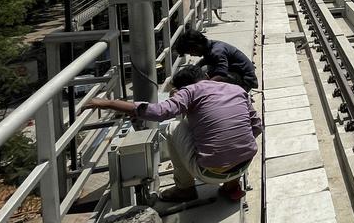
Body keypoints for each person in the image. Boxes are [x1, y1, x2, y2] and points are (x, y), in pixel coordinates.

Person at [84, 65, 262, 202]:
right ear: (207, 77)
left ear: (180, 89)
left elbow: (160, 112)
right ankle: (232, 184)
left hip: (210, 173)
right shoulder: (236, 89)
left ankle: (185, 188)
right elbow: (257, 126)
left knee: (173, 128)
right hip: (244, 164)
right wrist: (234, 146)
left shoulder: (189, 92)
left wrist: (108, 103)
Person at [178, 28, 259, 91]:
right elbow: (200, 65)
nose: (191, 55)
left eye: (191, 52)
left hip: (245, 82)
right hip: (236, 73)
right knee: (201, 72)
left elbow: (221, 75)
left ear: (197, 46)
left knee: (206, 78)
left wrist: (202, 86)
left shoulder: (217, 52)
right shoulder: (209, 48)